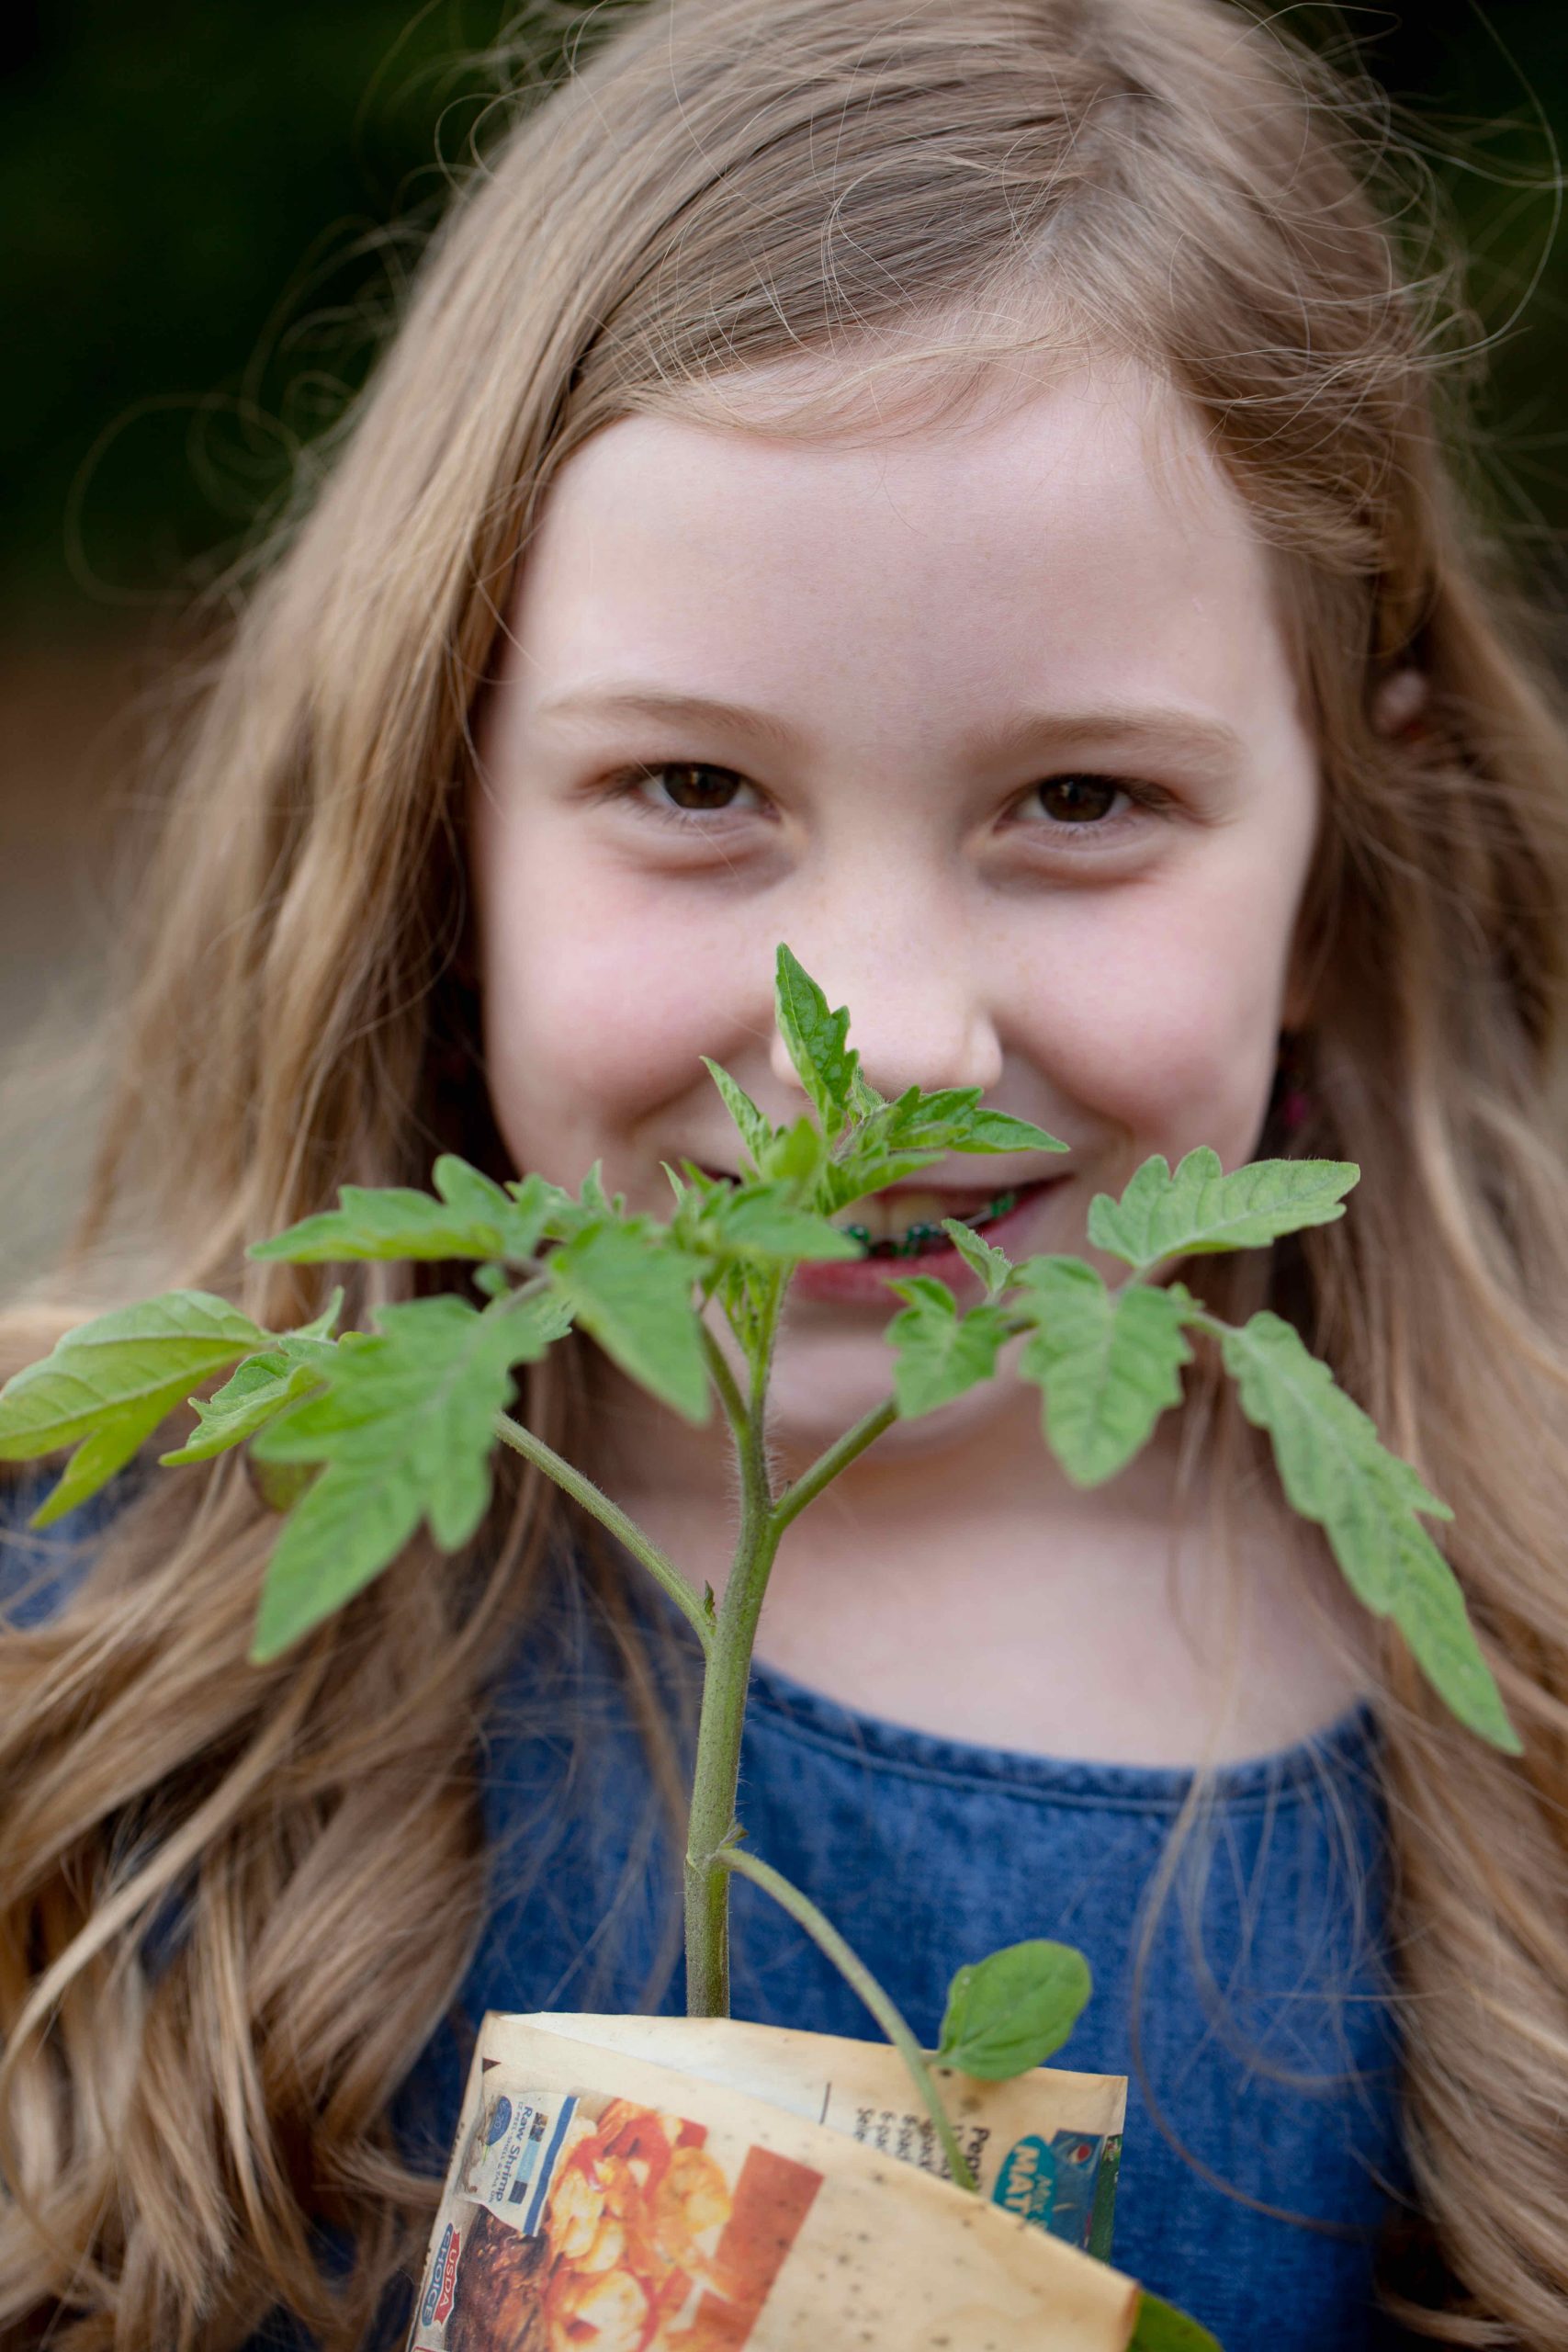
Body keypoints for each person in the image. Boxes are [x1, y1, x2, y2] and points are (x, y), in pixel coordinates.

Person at [3, 0, 1567, 2344]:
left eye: (1080, 802)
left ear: (1351, 838)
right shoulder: (103, 1652)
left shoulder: (1513, 1701)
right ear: (440, 806)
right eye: (695, 789)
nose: (896, 1031)